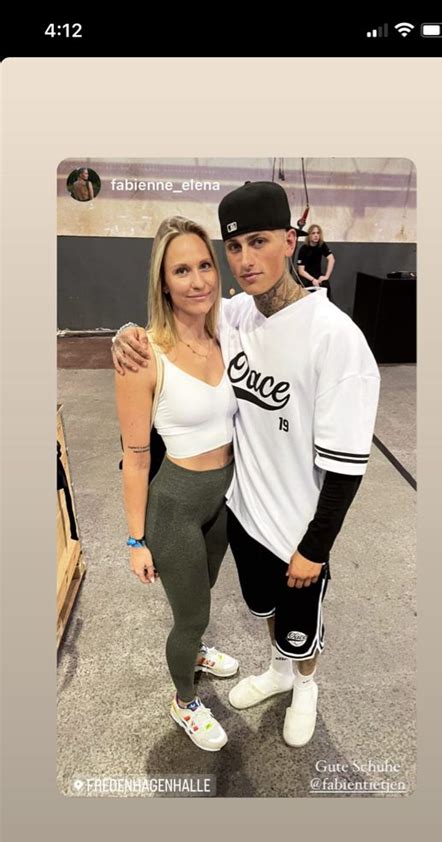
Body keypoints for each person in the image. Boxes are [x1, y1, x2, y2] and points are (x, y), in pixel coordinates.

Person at [112, 182, 380, 748]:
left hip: (298, 527)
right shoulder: (233, 316)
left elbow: (348, 467)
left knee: (302, 627)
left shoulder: (336, 338)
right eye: (233, 248)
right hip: (243, 512)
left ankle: (305, 685)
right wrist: (124, 335)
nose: (244, 260)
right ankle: (279, 672)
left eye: (259, 242)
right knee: (265, 612)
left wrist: (316, 546)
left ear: (290, 242)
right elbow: (171, 326)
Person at [115, 216, 239, 752]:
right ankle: (184, 701)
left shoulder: (227, 334)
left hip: (222, 500)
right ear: (163, 283)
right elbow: (136, 456)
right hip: (176, 508)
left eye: (205, 265)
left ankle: (195, 651)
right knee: (191, 614)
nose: (198, 280)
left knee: (202, 592)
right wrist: (135, 539)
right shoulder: (142, 353)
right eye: (181, 270)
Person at [296, 223, 335, 300]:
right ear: (309, 235)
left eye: (318, 233)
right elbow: (301, 271)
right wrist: (313, 280)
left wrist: (326, 276)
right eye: (313, 233)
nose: (316, 235)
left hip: (317, 275)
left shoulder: (322, 245)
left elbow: (331, 259)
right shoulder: (303, 249)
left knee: (325, 285)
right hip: (305, 276)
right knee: (308, 293)